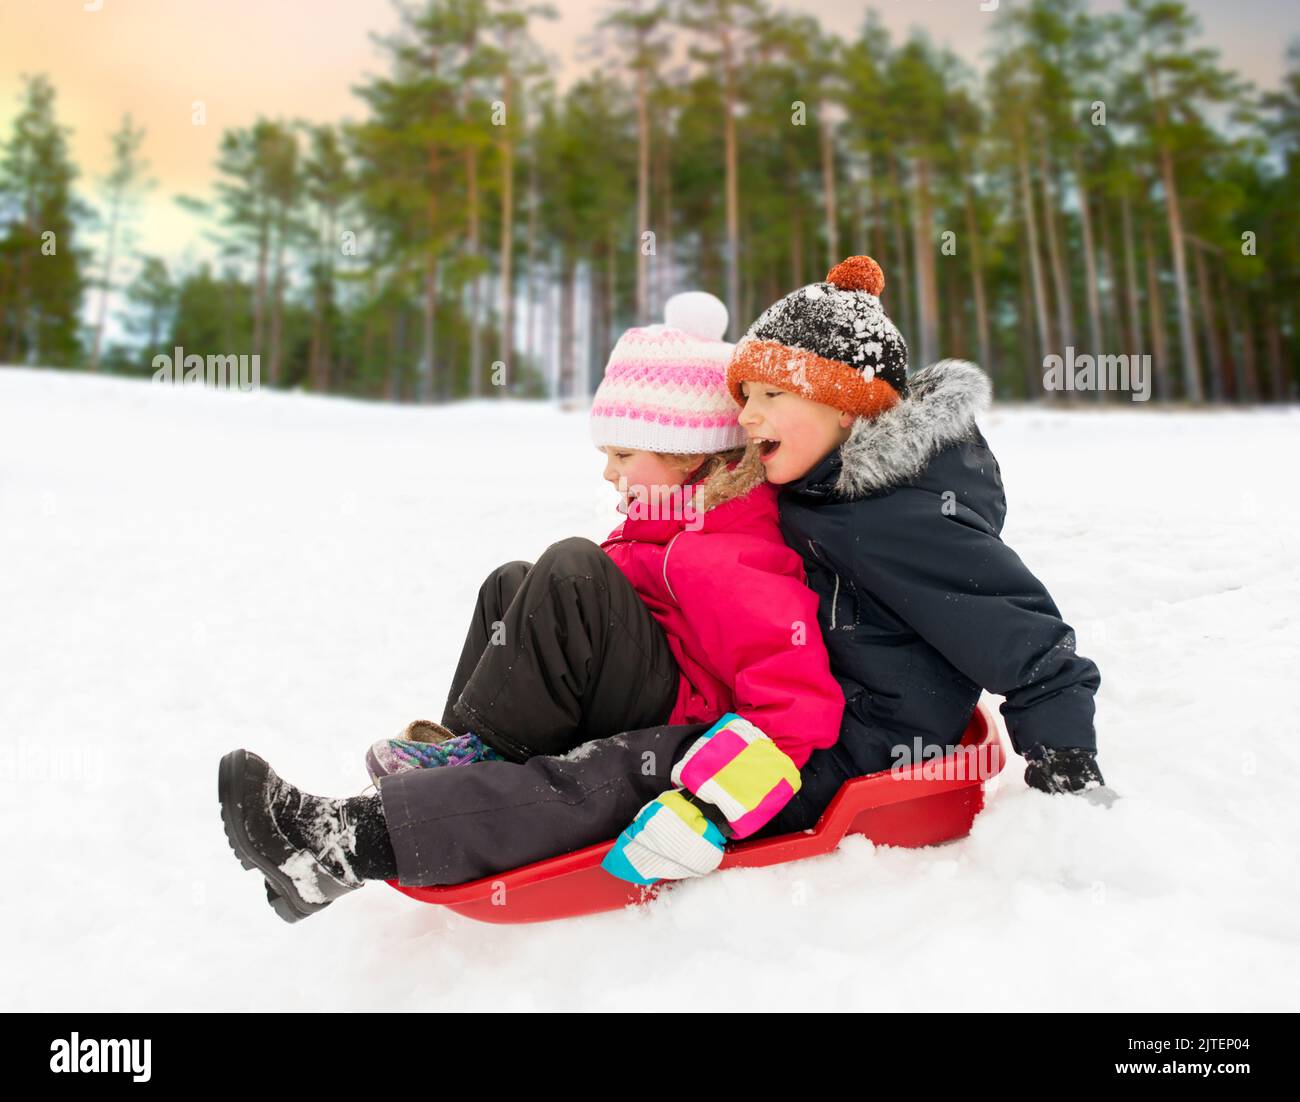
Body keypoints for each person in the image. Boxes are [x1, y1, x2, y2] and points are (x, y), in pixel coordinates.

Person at [218, 292, 844, 921]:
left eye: (624, 456)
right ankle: (462, 752)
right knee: (511, 584)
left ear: (692, 459)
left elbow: (799, 701)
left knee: (572, 570)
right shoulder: (664, 519)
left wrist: (717, 798)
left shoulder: (734, 553)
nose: (608, 474)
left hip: (683, 720)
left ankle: (476, 761)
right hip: (639, 685)